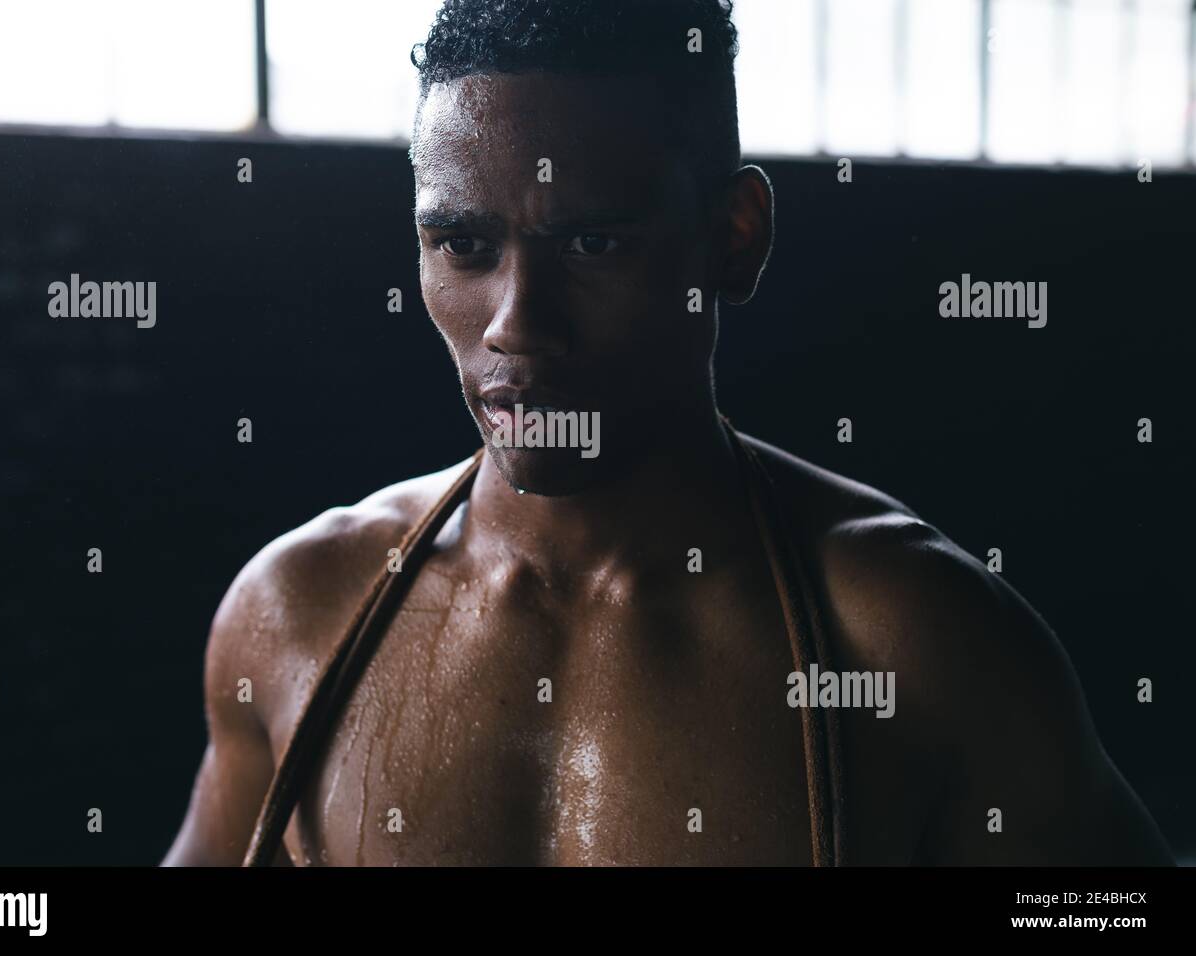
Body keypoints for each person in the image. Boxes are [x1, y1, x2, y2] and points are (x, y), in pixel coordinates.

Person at [163, 0, 1172, 866]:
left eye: (593, 242)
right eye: (463, 244)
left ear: (735, 236)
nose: (516, 322)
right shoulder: (298, 616)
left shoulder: (913, 640)